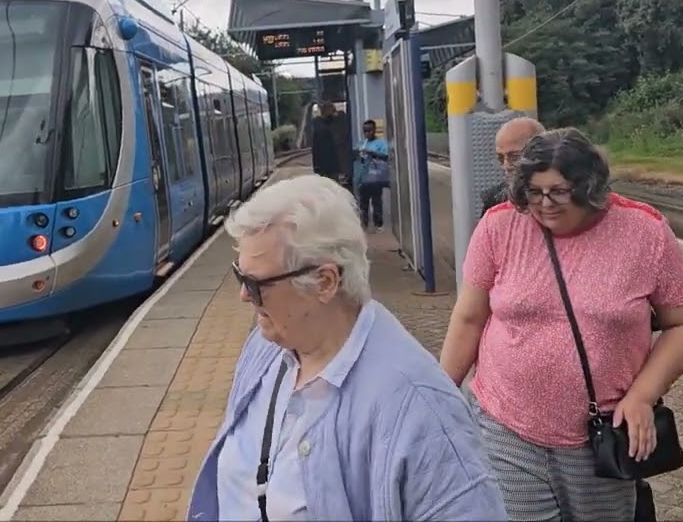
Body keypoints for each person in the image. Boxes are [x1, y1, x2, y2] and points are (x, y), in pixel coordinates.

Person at [187, 174, 508, 522]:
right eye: (240, 276)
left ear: (324, 282)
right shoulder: (267, 347)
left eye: (254, 283)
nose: (244, 295)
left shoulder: (421, 410)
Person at [439, 128, 683, 522]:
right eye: (533, 192)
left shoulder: (644, 232)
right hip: (505, 424)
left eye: (559, 192)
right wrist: (439, 395)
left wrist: (643, 396)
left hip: (600, 437)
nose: (544, 205)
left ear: (590, 186)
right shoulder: (500, 226)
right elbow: (469, 317)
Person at [480, 117, 545, 215]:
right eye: (501, 158)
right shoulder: (495, 200)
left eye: (515, 157)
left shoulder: (565, 192)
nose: (506, 166)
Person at [353, 119, 390, 232]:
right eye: (365, 131)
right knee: (363, 202)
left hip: (375, 177)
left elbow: (385, 156)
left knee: (376, 201)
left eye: (369, 130)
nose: (367, 133)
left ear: (374, 130)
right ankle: (364, 223)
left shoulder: (381, 143)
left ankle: (378, 223)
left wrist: (371, 152)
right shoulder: (361, 143)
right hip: (363, 177)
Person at [310, 102, 341, 182]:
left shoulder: (317, 124)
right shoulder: (326, 126)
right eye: (333, 111)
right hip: (329, 164)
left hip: (322, 164)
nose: (335, 114)